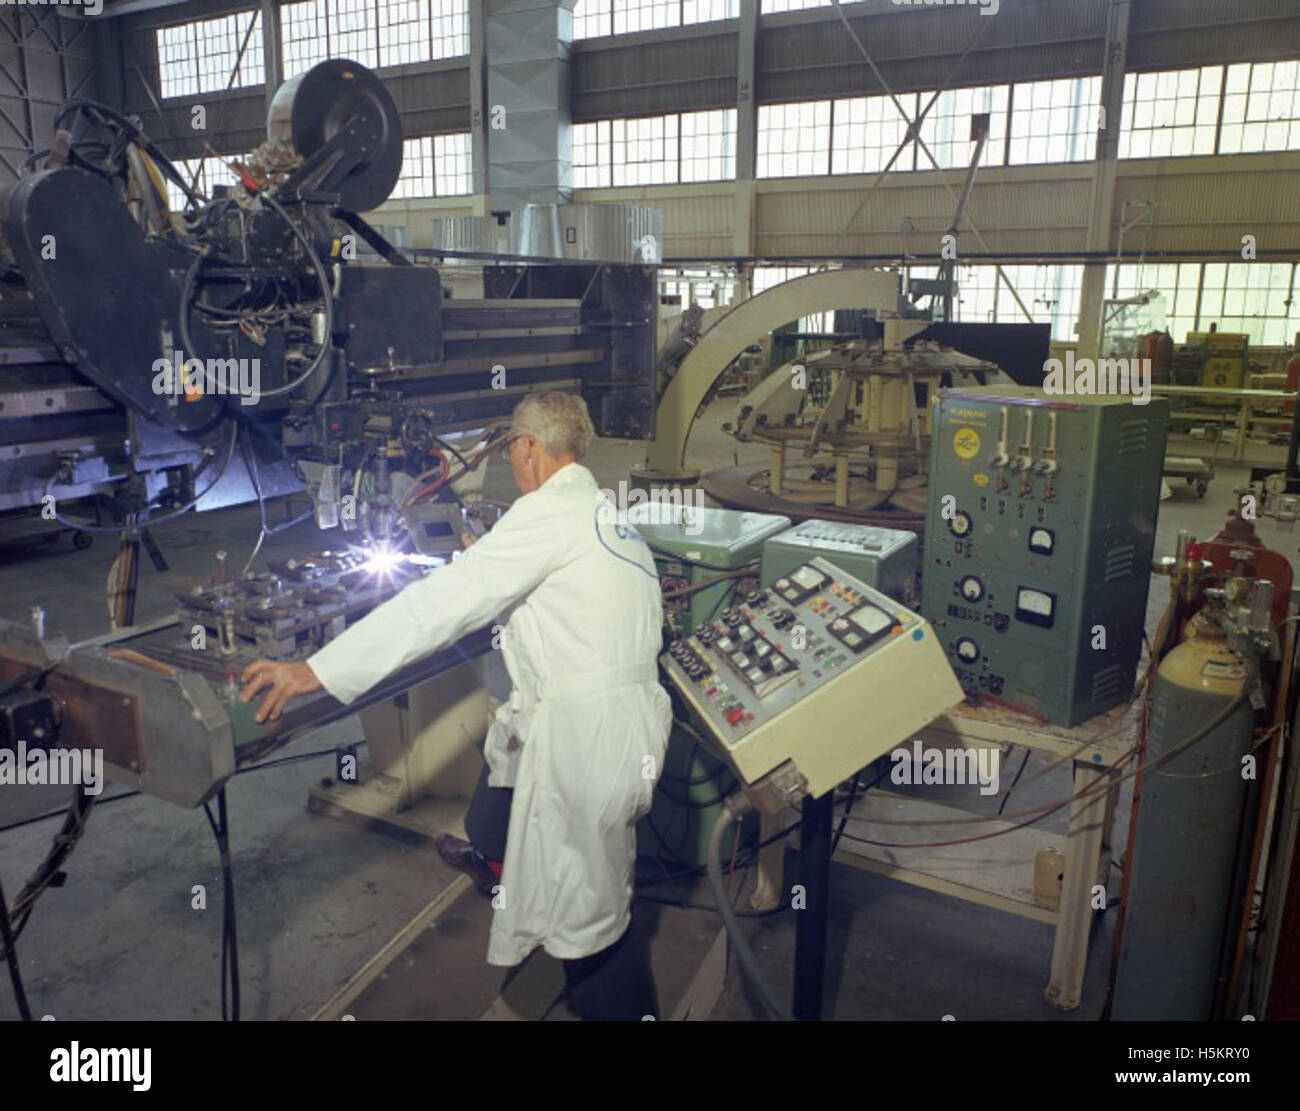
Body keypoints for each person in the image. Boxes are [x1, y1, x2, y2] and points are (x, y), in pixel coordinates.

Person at [239, 392, 671, 1020]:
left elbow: (433, 608)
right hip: (624, 735)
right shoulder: (605, 516)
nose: (509, 462)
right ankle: (507, 872)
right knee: (493, 822)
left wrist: (319, 670)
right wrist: (487, 560)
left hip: (584, 743)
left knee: (593, 931)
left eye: (508, 450)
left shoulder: (545, 516)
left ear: (526, 447)